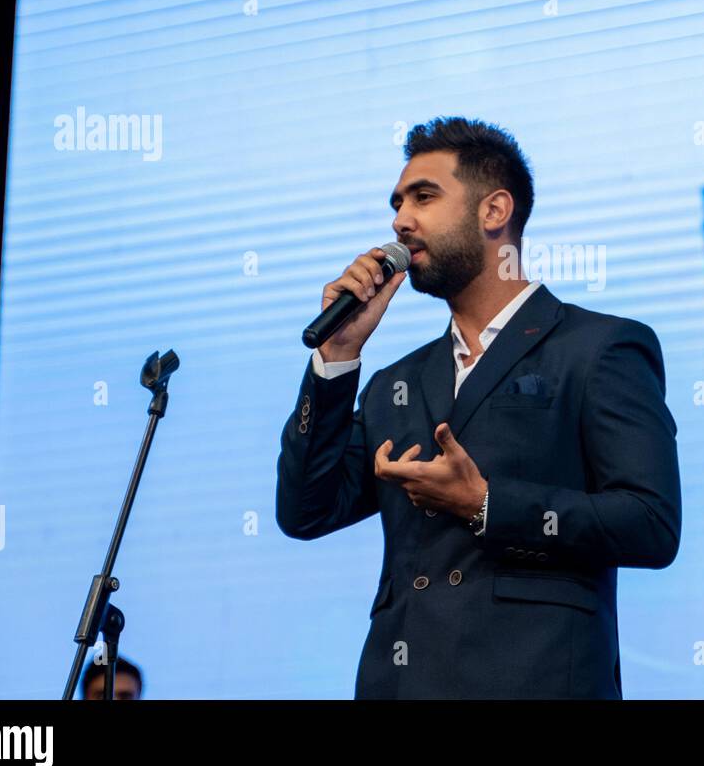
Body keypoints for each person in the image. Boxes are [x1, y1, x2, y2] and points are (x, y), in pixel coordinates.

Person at [275, 116, 681, 698]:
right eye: (396, 203)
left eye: (424, 196)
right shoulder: (400, 381)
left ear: (494, 212)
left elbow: (652, 524)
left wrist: (488, 504)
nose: (400, 220)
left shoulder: (599, 348)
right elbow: (306, 511)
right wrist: (338, 355)